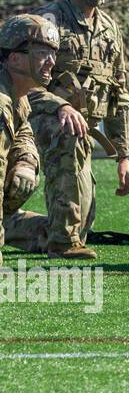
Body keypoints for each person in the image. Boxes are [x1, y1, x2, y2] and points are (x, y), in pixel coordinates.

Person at [25, 0, 129, 259]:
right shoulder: (48, 22)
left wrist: (123, 157)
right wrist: (59, 106)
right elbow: (25, 85)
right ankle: (62, 245)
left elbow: (119, 92)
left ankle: (13, 225)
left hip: (84, 128)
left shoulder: (109, 28)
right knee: (69, 135)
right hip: (41, 121)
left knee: (80, 221)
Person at [0, 15, 63, 262]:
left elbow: (24, 132)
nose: (51, 62)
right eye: (41, 54)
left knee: (24, 174)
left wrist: (26, 162)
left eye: (53, 54)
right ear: (15, 58)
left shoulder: (18, 93)